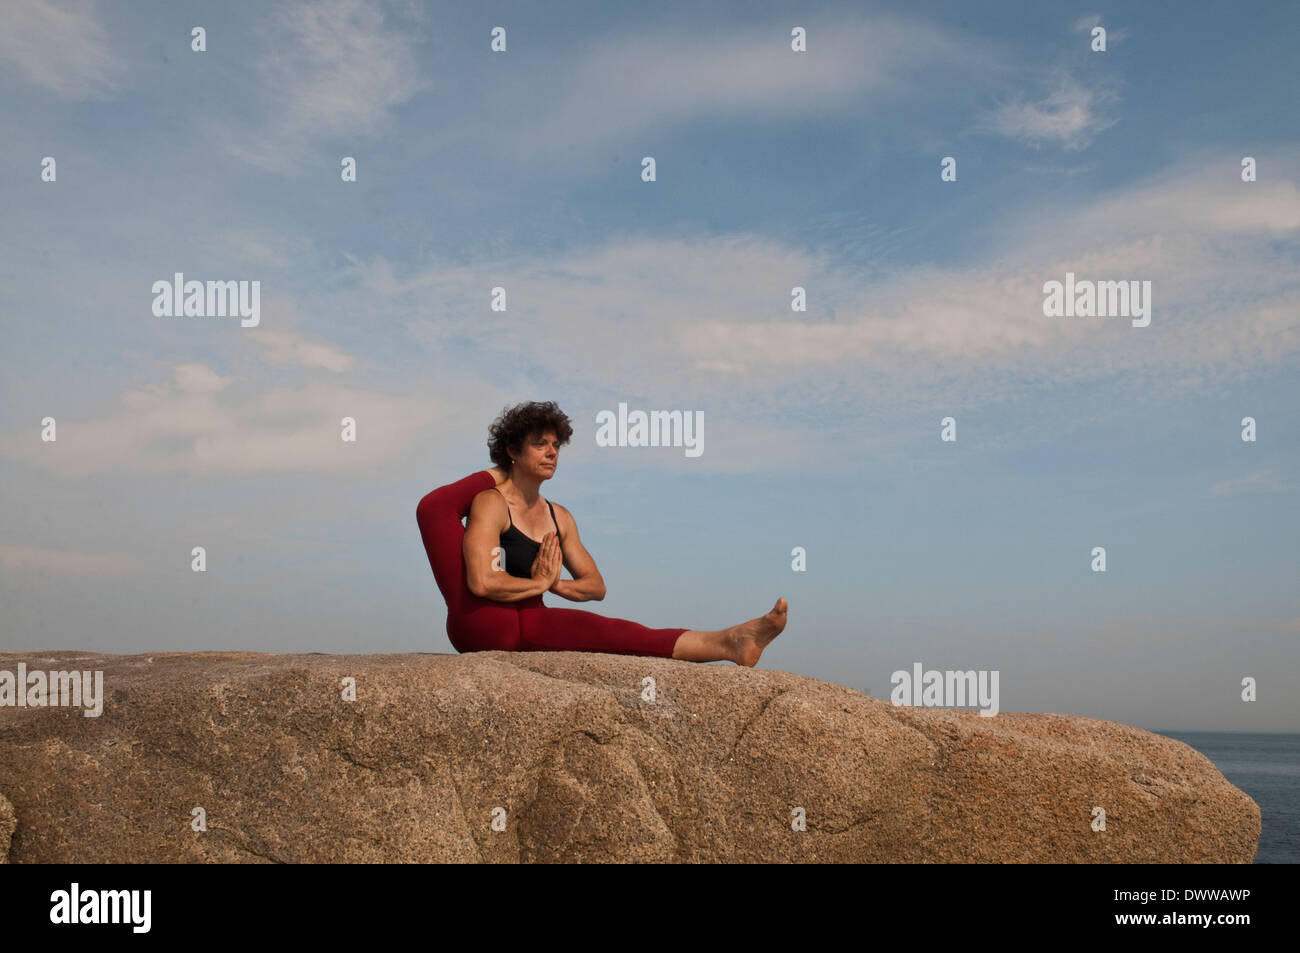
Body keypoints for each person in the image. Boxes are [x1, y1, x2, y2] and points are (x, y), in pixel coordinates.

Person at [417, 401, 787, 664]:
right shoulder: (491, 502)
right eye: (539, 444)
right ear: (512, 449)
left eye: (555, 445)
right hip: (483, 622)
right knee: (592, 631)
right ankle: (727, 642)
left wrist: (555, 584)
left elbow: (596, 587)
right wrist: (540, 583)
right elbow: (482, 583)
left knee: (609, 629)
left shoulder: (559, 516)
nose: (552, 453)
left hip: (530, 619)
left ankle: (731, 642)